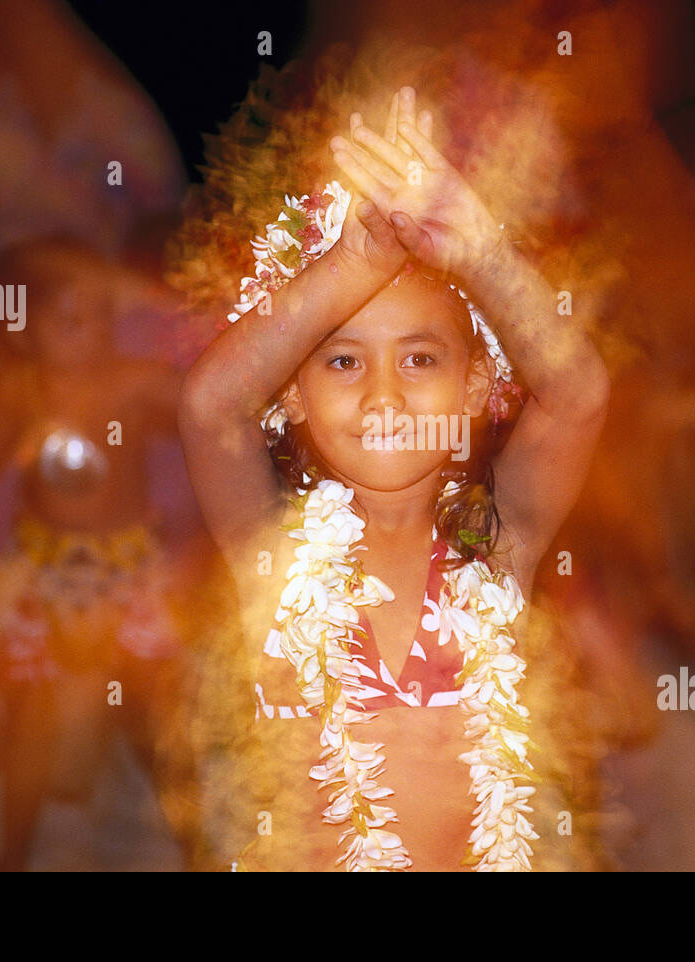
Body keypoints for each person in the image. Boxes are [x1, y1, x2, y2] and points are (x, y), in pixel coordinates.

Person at [178, 87, 609, 870]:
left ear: (476, 385)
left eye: (420, 359)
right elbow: (211, 409)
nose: (384, 395)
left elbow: (577, 395)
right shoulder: (271, 555)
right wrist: (357, 261)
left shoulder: (497, 547)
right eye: (343, 361)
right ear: (292, 392)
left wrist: (480, 255)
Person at [0, 239, 186, 870]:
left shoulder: (130, 381)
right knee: (31, 715)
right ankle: (15, 850)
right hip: (46, 567)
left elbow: (202, 404)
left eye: (103, 316)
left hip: (128, 567)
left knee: (151, 708)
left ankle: (198, 842)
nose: (96, 335)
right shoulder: (19, 389)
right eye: (71, 322)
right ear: (20, 335)